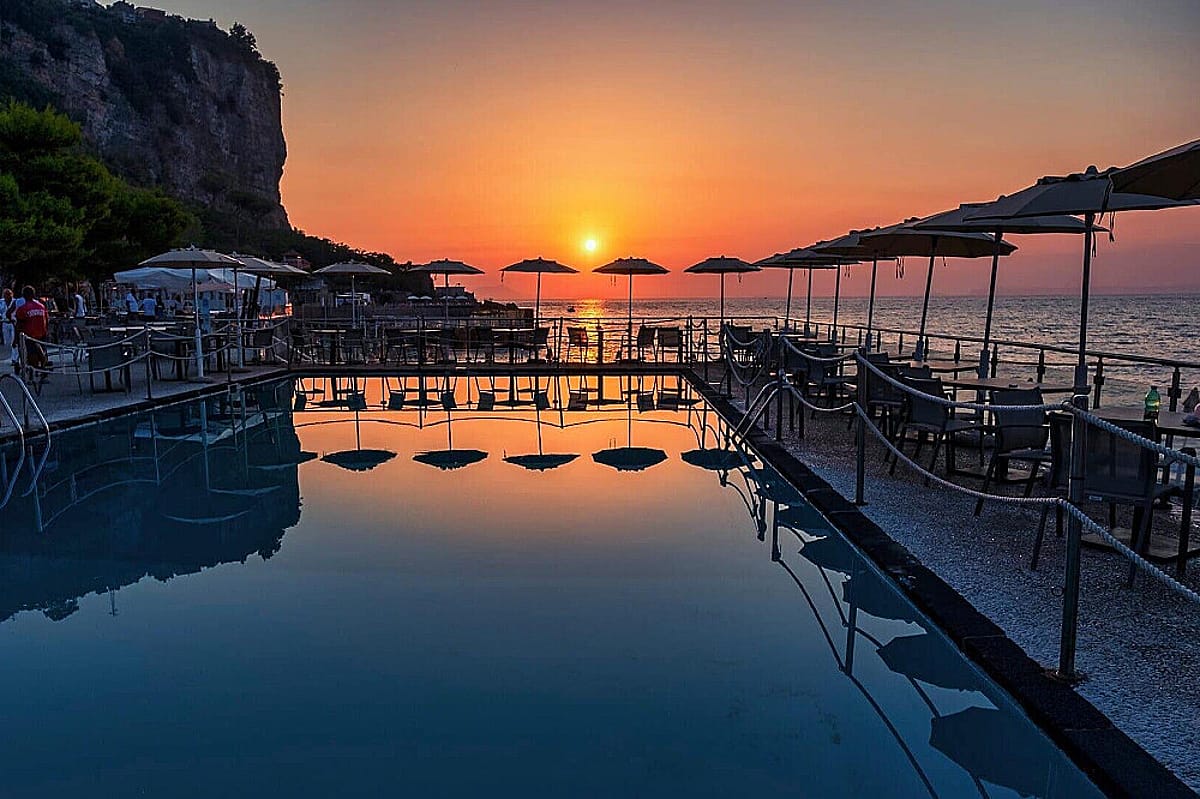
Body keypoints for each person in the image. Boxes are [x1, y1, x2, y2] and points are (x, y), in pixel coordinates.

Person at [14, 286, 48, 371]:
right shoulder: (42, 307)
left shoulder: (22, 309)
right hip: (41, 335)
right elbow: (46, 321)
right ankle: (42, 368)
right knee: (41, 352)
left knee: (31, 354)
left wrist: (16, 339)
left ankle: (33, 372)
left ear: (24, 295)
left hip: (29, 335)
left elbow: (19, 325)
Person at [1, 288, 14, 367]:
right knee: (7, 342)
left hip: (13, 323)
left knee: (13, 342)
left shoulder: (15, 302)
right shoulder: (1, 302)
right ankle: (10, 356)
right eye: (5, 295)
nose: (7, 296)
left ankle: (14, 359)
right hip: (4, 323)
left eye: (9, 294)